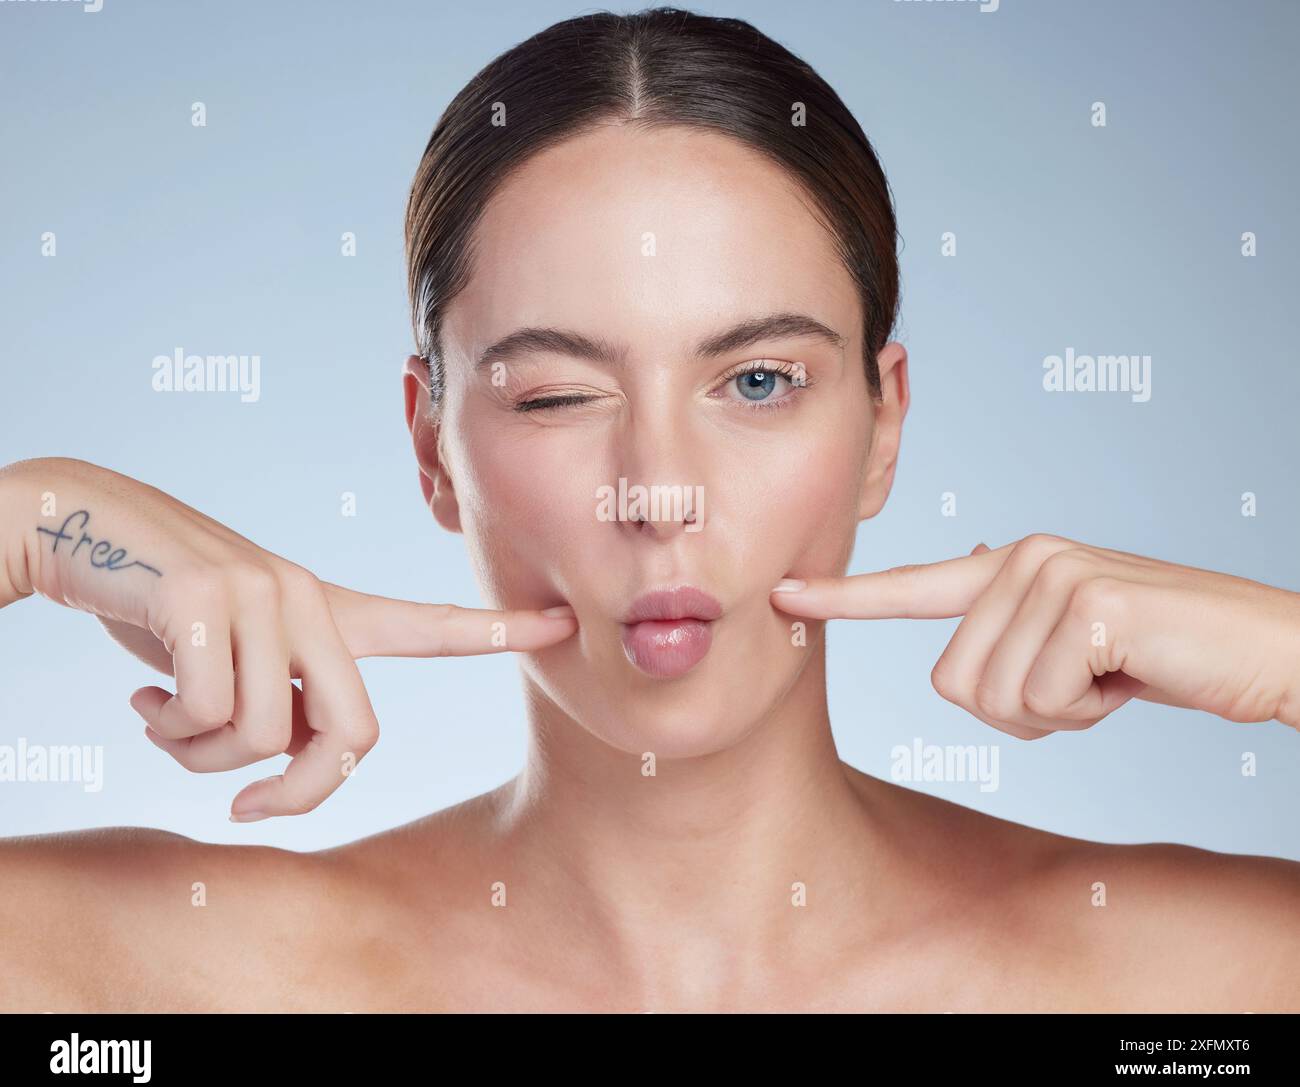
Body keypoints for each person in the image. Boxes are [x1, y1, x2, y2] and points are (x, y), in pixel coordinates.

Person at [2, 8, 1297, 1012]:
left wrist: (1282, 658)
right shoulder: (174, 987)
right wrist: (42, 524)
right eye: (558, 395)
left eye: (755, 380)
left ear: (881, 423)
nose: (658, 488)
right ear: (432, 448)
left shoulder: (1187, 994)